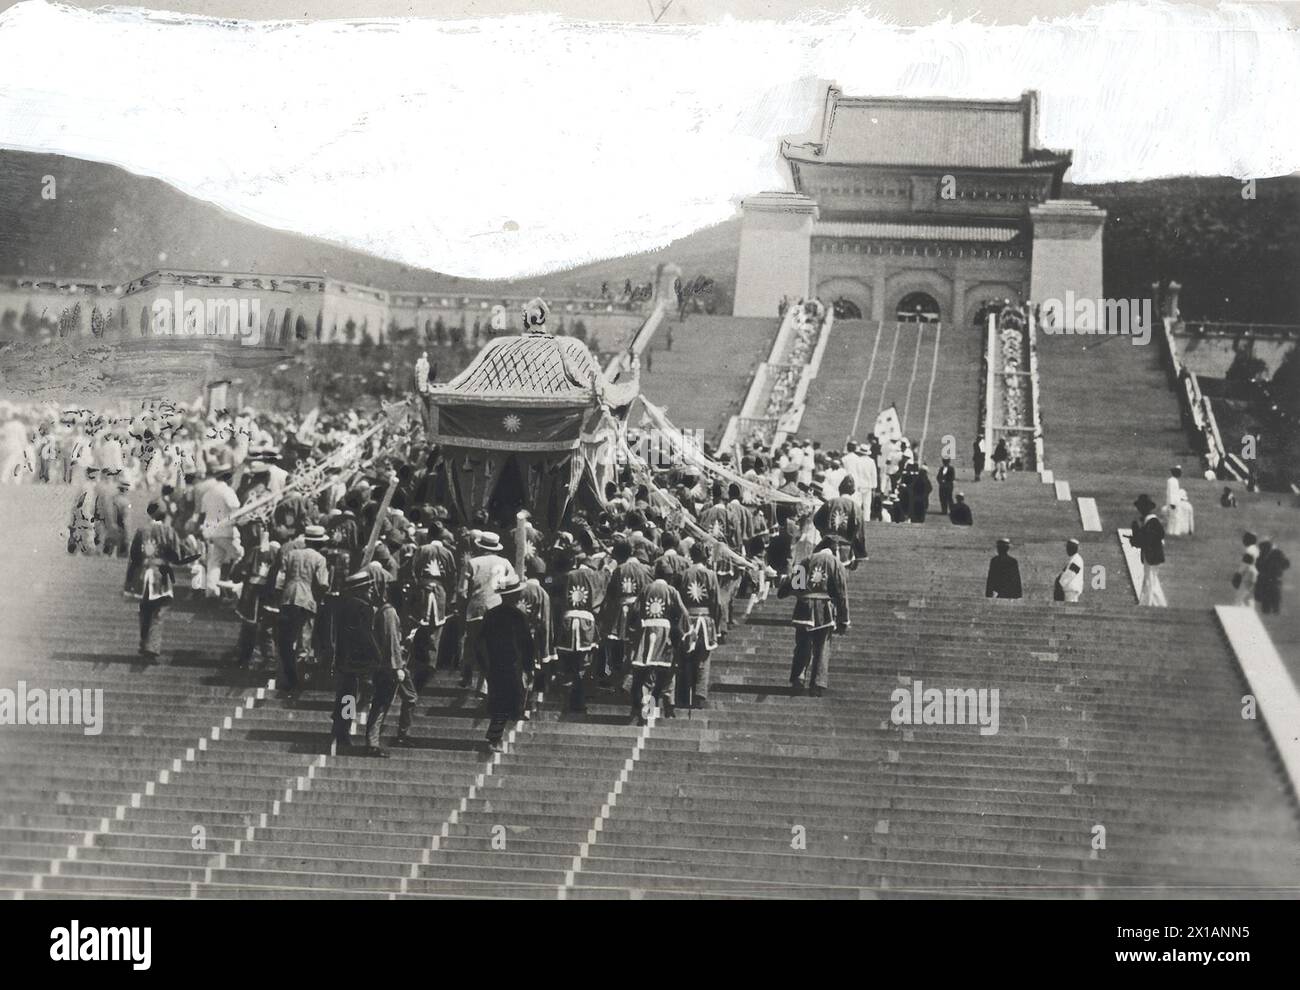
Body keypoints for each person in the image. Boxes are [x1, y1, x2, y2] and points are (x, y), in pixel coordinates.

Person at [778, 538, 849, 697]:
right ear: (834, 550)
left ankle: (799, 677)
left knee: (802, 644)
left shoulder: (806, 560)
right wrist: (843, 619)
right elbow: (841, 593)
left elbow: (796, 585)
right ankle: (817, 684)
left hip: (804, 608)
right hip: (824, 609)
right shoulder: (836, 563)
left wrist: (785, 590)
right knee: (822, 647)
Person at [478, 575, 536, 752]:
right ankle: (494, 738)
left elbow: (480, 642)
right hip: (512, 664)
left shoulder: (491, 614)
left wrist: (483, 665)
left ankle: (504, 726)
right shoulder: (519, 617)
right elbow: (527, 644)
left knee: (500, 699)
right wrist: (529, 667)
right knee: (504, 701)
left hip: (494, 664)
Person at [457, 530, 519, 695]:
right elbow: (513, 585)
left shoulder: (472, 563)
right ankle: (483, 684)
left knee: (472, 642)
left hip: (476, 609)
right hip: (497, 608)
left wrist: (464, 606)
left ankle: (467, 673)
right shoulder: (505, 563)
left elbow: (462, 591)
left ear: (480, 547)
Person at [124, 499, 185, 661]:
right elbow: (177, 556)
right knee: (159, 611)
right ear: (165, 515)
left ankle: (144, 642)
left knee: (145, 610)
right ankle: (151, 646)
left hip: (144, 575)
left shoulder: (141, 531)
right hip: (162, 575)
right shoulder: (169, 531)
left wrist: (129, 582)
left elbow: (134, 557)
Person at [276, 524, 331, 693]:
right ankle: (299, 681)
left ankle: (286, 678)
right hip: (307, 600)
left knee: (286, 639)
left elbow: (279, 580)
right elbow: (323, 583)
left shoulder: (291, 554)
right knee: (304, 640)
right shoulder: (320, 558)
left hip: (287, 598)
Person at [627, 575, 688, 725]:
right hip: (665, 634)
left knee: (646, 673)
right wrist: (681, 631)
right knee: (667, 672)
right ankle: (668, 706)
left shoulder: (645, 589)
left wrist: (633, 628)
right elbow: (682, 612)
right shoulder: (671, 590)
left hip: (645, 633)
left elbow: (634, 610)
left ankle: (645, 708)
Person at [676, 540, 721, 710]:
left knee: (686, 658)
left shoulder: (683, 574)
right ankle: (700, 695)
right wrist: (716, 622)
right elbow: (717, 602)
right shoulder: (711, 575)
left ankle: (684, 694)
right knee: (703, 659)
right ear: (706, 556)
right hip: (705, 620)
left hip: (687, 619)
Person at [200, 466, 242, 598]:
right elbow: (236, 510)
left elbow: (203, 511)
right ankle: (233, 586)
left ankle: (211, 589)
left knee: (216, 560)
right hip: (225, 531)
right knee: (239, 555)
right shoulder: (227, 491)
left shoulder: (208, 493)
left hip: (211, 531)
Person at [1128, 495, 1167, 607]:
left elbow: (1155, 536)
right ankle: (1158, 603)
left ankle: (1146, 603)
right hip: (1152, 555)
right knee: (1151, 579)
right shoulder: (1149, 522)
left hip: (1152, 555)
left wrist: (1138, 538)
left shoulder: (1152, 522)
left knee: (1149, 579)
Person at [1255, 540, 1290, 615]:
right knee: (1273, 597)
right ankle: (1273, 611)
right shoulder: (1274, 553)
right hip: (1272, 579)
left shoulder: (1273, 554)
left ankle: (1270, 611)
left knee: (1269, 597)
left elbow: (1258, 566)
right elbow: (1286, 564)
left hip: (1268, 579)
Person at [1054, 538, 1084, 603]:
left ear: (1073, 548)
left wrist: (1060, 583)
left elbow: (1070, 574)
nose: (1067, 550)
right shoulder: (1073, 559)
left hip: (1071, 591)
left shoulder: (1077, 559)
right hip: (1068, 591)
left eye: (1068, 547)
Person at [1233, 532, 1258, 608]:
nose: (1243, 540)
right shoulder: (1257, 550)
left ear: (1249, 540)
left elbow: (1246, 563)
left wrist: (1238, 574)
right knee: (1249, 599)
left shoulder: (1250, 549)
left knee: (1238, 599)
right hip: (1256, 576)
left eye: (1245, 538)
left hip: (1249, 575)